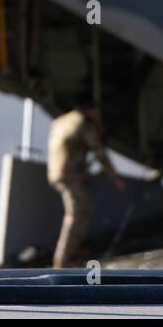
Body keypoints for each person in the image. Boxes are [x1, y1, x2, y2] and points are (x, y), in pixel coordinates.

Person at [47, 101, 124, 268]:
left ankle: (73, 250)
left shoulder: (61, 121)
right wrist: (114, 177)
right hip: (70, 175)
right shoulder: (83, 123)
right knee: (78, 212)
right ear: (92, 110)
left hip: (57, 173)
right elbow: (99, 151)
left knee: (82, 209)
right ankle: (63, 258)